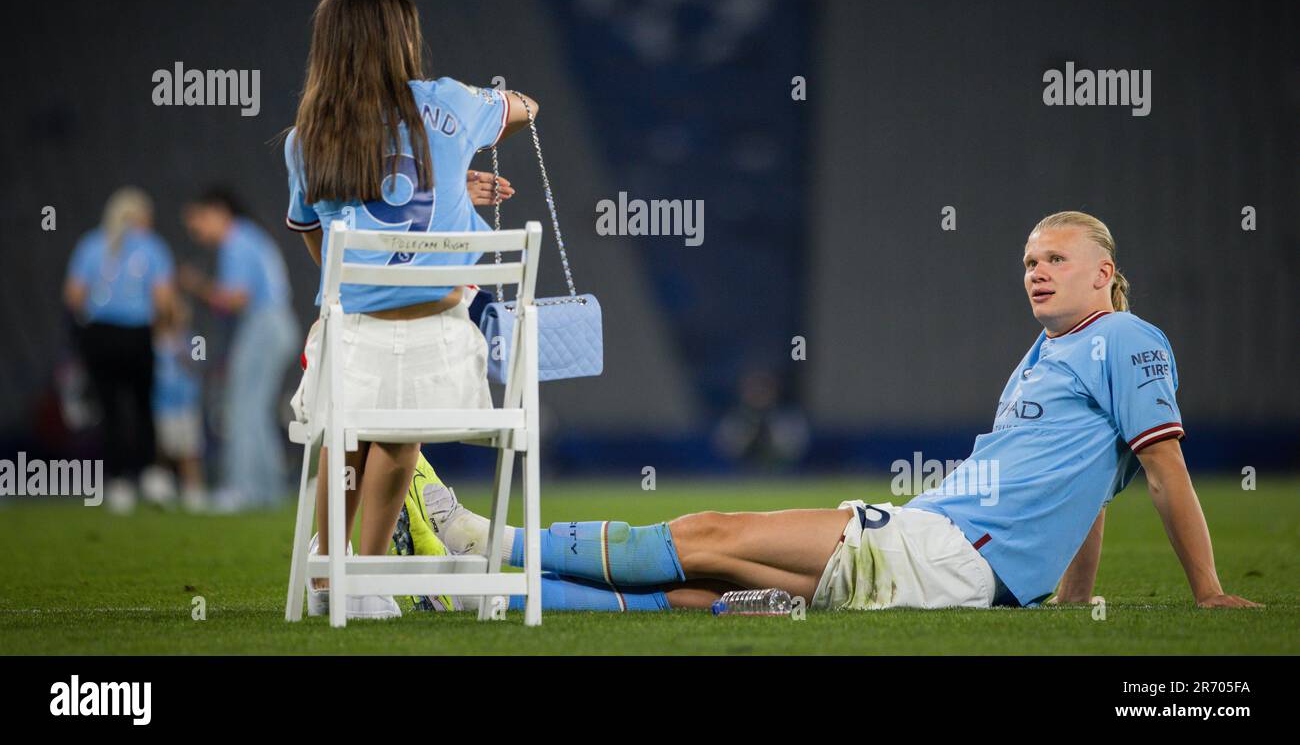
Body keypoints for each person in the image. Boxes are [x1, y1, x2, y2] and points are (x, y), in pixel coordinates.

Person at [425, 211, 1260, 613]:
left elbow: (1164, 469)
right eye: (1028, 260)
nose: (1036, 272)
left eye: (1056, 259)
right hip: (945, 549)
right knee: (704, 586)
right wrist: (1072, 602)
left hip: (943, 548)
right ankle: (482, 592)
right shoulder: (1049, 350)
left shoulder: (1125, 337)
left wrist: (1210, 592)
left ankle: (487, 539)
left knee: (703, 532)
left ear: (1104, 272)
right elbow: (1090, 490)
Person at [281, 0, 537, 620]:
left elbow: (322, 245)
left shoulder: (306, 137)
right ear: (402, 40)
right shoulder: (449, 101)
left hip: (349, 345)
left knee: (347, 428)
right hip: (439, 349)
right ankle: (366, 572)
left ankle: (328, 567)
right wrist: (451, 168)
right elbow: (522, 108)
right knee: (401, 427)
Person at [180, 188, 299, 511]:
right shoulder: (249, 236)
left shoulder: (236, 241)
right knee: (256, 409)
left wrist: (198, 286)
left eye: (198, 221)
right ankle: (267, 491)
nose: (197, 232)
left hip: (263, 325)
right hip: (277, 324)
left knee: (242, 407)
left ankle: (243, 489)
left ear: (218, 211)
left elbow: (236, 299)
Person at [63, 186, 178, 513]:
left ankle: (117, 481)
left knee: (110, 409)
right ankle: (150, 474)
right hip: (137, 334)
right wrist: (163, 327)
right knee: (143, 405)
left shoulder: (90, 244)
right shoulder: (152, 247)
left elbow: (73, 296)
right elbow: (164, 299)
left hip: (99, 336)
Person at [151, 295, 207, 511]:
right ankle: (161, 488)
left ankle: (193, 491)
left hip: (186, 404)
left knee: (189, 450)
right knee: (162, 449)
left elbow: (200, 366)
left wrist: (182, 352)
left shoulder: (195, 339)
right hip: (162, 404)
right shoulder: (155, 340)